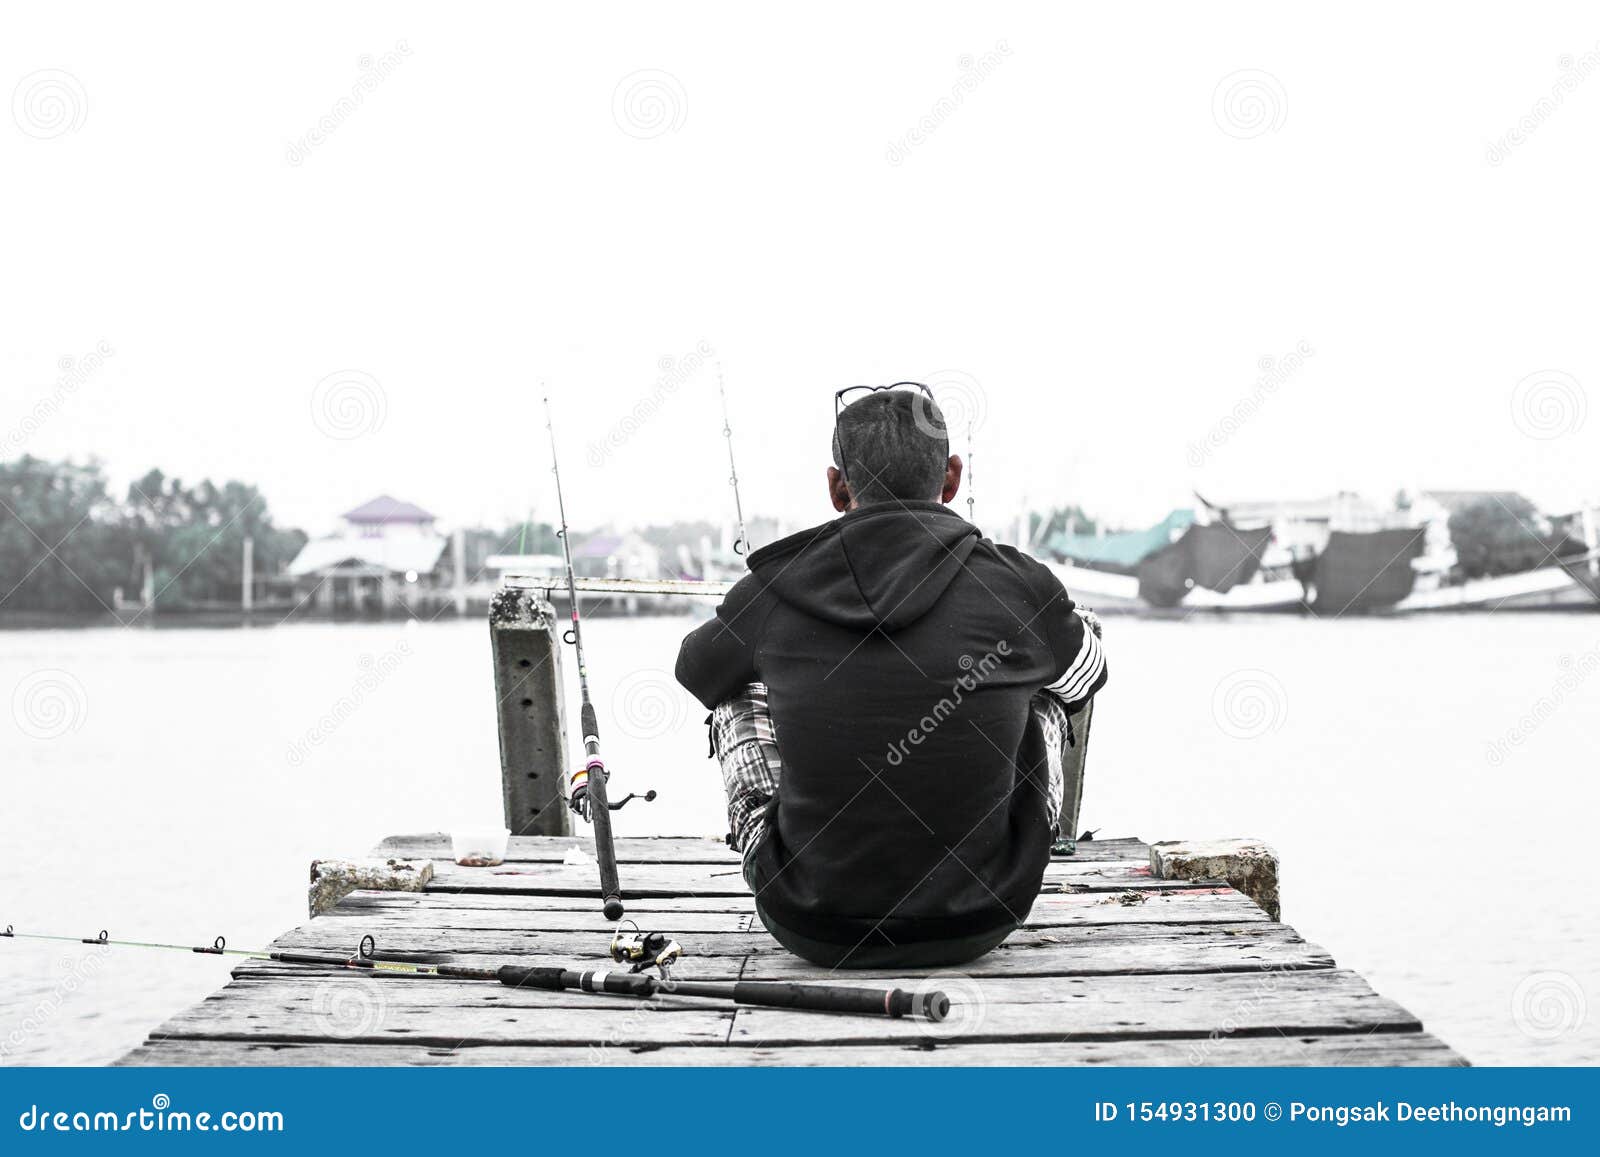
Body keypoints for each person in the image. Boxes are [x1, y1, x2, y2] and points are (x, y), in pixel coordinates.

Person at [674, 383, 1106, 968]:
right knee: (1050, 692)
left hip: (808, 921)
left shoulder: (773, 591)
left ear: (836, 488)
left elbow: (696, 672)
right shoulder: (1019, 585)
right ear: (951, 478)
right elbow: (1089, 677)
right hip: (982, 919)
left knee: (736, 694)